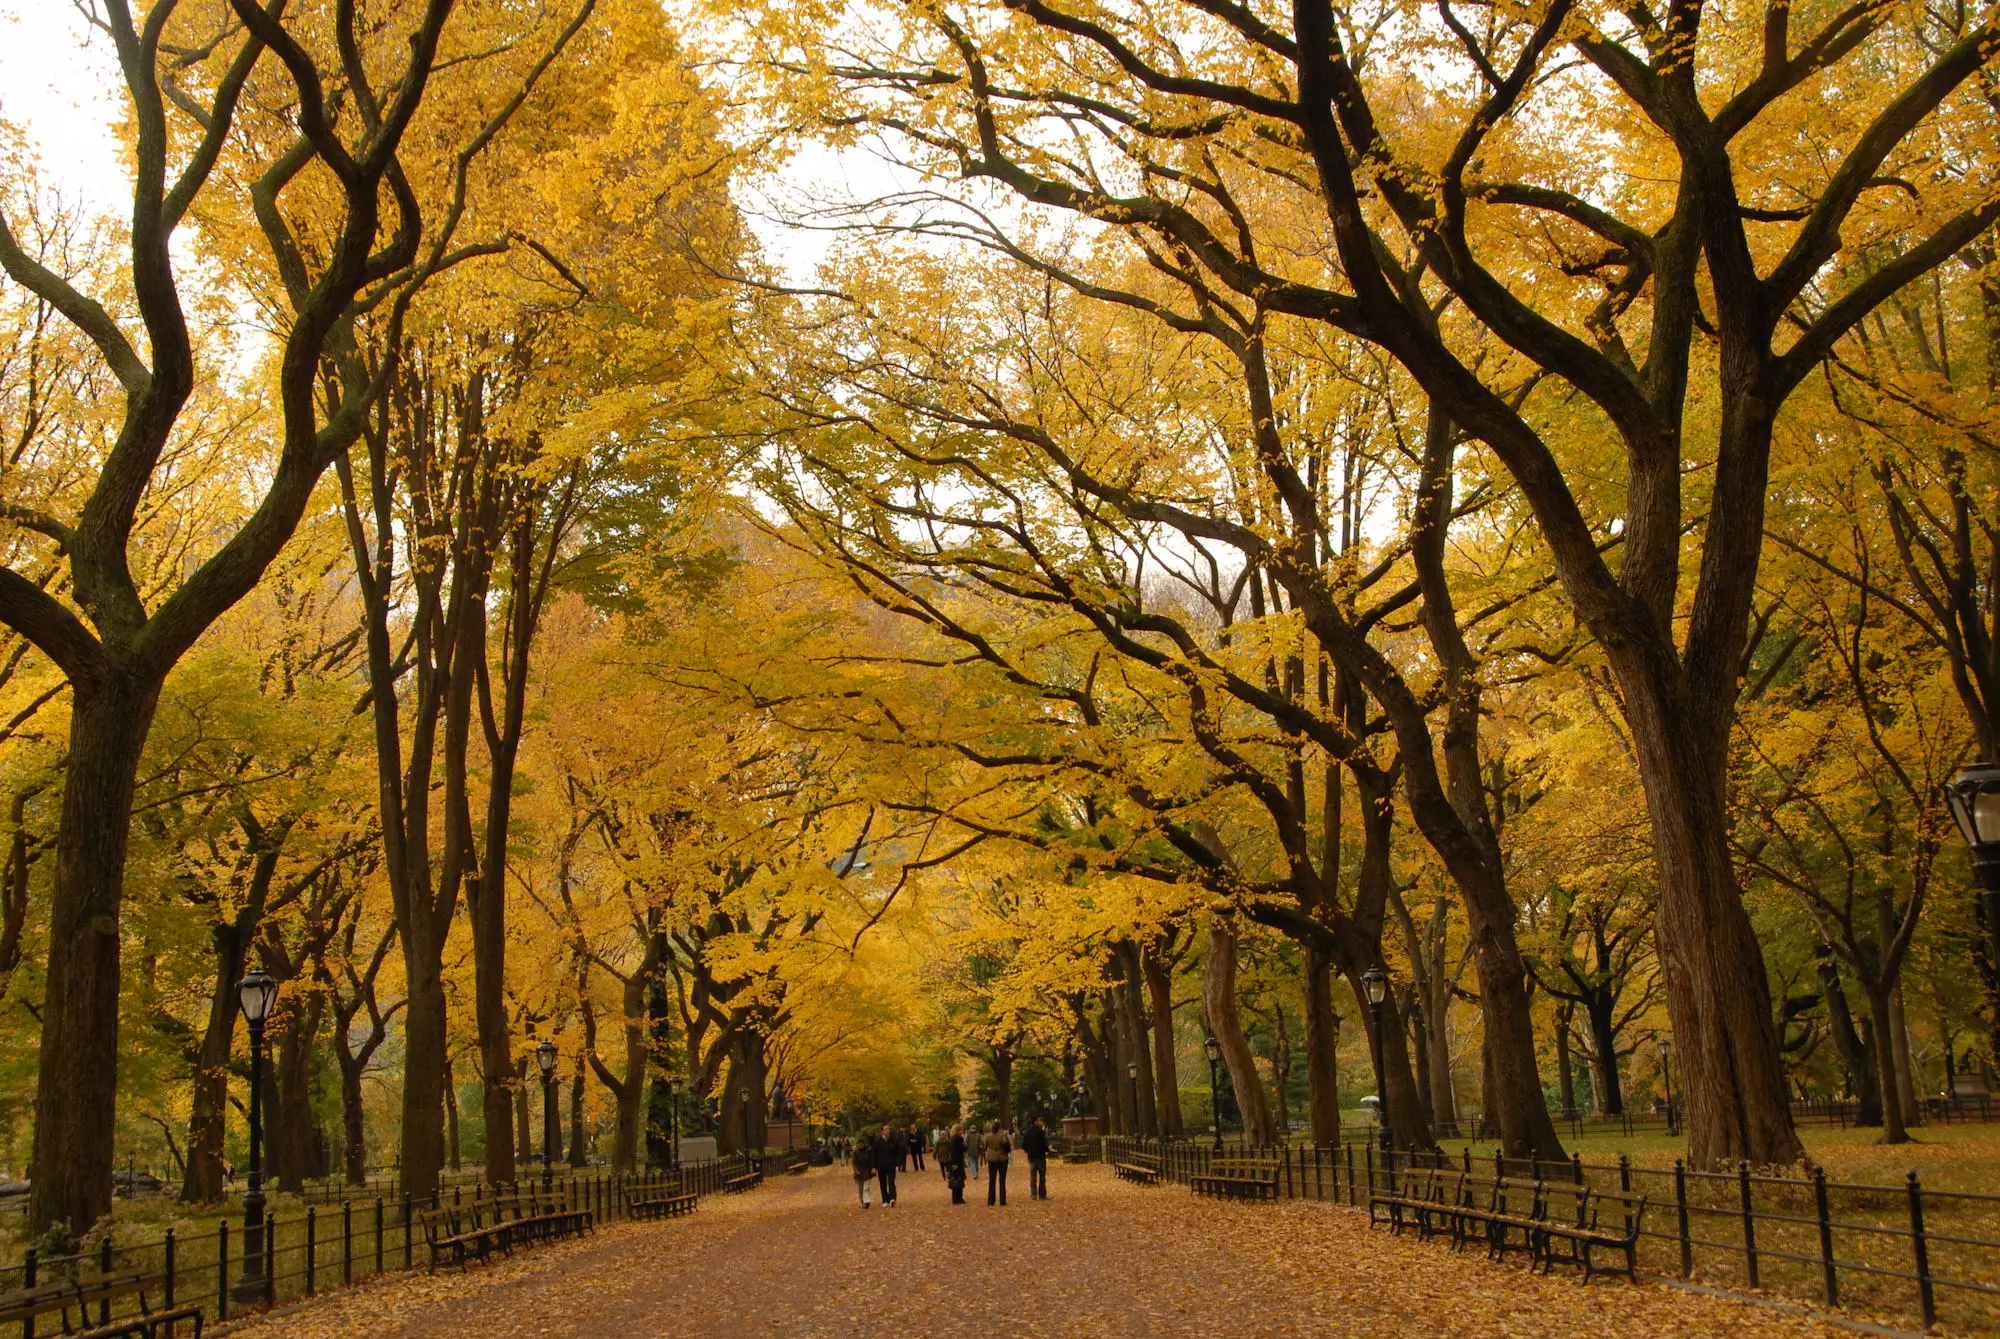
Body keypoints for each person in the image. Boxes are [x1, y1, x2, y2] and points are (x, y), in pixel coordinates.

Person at [1022, 1113, 1051, 1200]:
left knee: (1033, 1176)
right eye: (1040, 1120)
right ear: (1035, 1122)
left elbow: (1023, 1145)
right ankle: (1042, 1195)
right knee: (1042, 1177)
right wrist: (1048, 1150)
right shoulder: (1040, 1132)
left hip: (1031, 1157)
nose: (1041, 1122)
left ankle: (1034, 1194)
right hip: (1040, 1157)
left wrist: (1029, 1151)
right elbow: (1043, 1145)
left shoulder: (1027, 1132)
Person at [982, 1123, 1011, 1206]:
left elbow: (984, 1147)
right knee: (1002, 1180)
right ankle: (1002, 1200)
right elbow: (1008, 1147)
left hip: (992, 1158)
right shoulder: (1003, 1135)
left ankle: (991, 1201)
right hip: (1002, 1158)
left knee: (992, 1180)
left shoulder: (987, 1136)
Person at [875, 1123, 901, 1206]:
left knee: (891, 1182)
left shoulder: (893, 1140)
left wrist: (897, 1164)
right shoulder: (877, 1141)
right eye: (885, 1129)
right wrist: (874, 1167)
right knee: (882, 1183)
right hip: (881, 1166)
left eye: (888, 1129)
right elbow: (874, 1154)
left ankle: (892, 1198)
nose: (887, 1131)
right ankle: (885, 1200)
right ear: (882, 1131)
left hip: (891, 1165)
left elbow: (897, 1153)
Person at [944, 1124, 968, 1204]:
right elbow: (954, 1152)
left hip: (956, 1162)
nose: (962, 1131)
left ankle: (957, 1198)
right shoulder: (957, 1139)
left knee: (957, 1179)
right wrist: (954, 1163)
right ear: (958, 1131)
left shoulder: (953, 1139)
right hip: (957, 1162)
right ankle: (957, 1198)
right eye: (961, 1130)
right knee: (957, 1179)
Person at [852, 1131, 876, 1208]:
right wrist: (856, 1170)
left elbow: (872, 1160)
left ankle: (866, 1201)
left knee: (866, 1187)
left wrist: (873, 1168)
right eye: (859, 1144)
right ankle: (862, 1201)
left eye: (862, 1144)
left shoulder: (868, 1150)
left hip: (867, 1171)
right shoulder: (855, 1152)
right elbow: (853, 1163)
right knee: (861, 1188)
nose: (861, 1145)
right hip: (859, 1171)